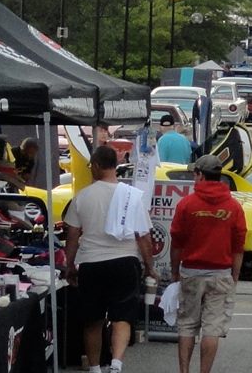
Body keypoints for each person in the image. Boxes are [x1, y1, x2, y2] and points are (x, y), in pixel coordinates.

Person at [63, 144, 155, 373]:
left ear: (95, 166)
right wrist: (149, 266)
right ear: (115, 165)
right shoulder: (132, 197)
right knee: (122, 317)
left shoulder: (82, 196)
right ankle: (116, 363)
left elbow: (72, 235)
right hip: (125, 261)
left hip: (91, 263)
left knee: (92, 319)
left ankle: (95, 368)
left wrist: (69, 265)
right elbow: (143, 237)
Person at [169, 155, 245, 373]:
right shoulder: (233, 206)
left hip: (191, 271)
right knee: (212, 328)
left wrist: (175, 271)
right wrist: (235, 275)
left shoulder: (186, 204)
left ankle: (184, 371)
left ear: (200, 174)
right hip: (221, 272)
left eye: (195, 174)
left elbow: (177, 242)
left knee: (187, 324)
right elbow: (238, 246)